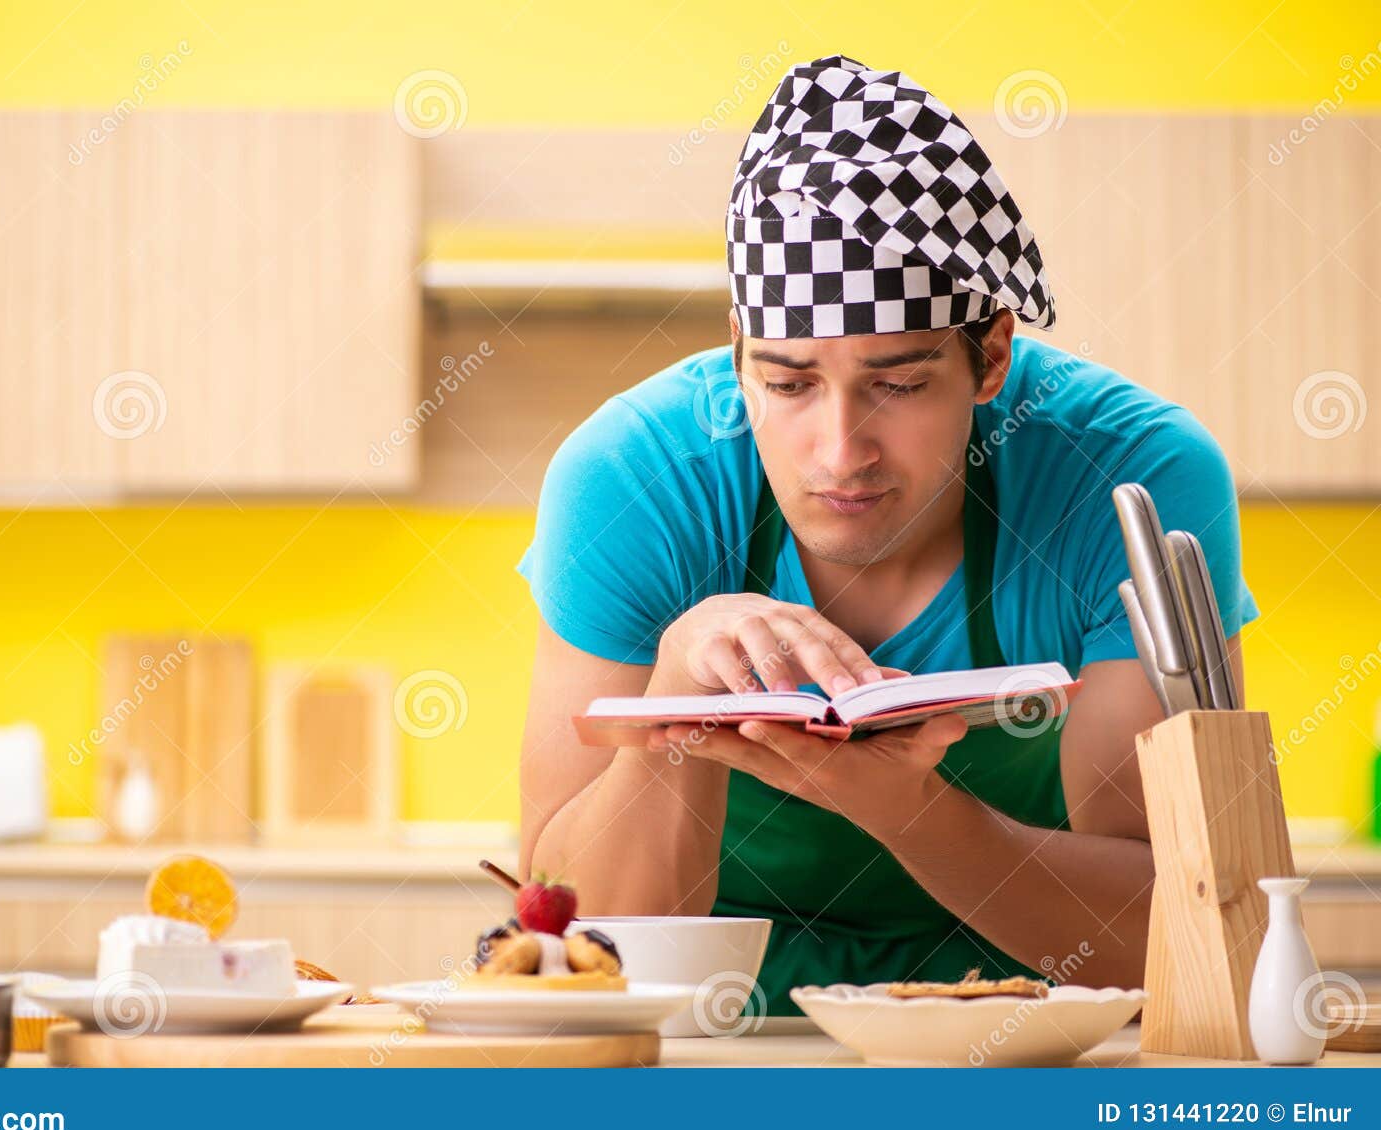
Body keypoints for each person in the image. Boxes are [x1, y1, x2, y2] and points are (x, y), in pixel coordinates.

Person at [515, 56, 1253, 1013]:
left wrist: (902, 806)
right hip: (714, 1028)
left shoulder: (1127, 480)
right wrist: (673, 702)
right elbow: (573, 944)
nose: (839, 451)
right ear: (740, 355)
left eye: (898, 383)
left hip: (1021, 1030)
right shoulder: (634, 480)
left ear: (990, 355)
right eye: (787, 384)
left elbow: (1177, 932)